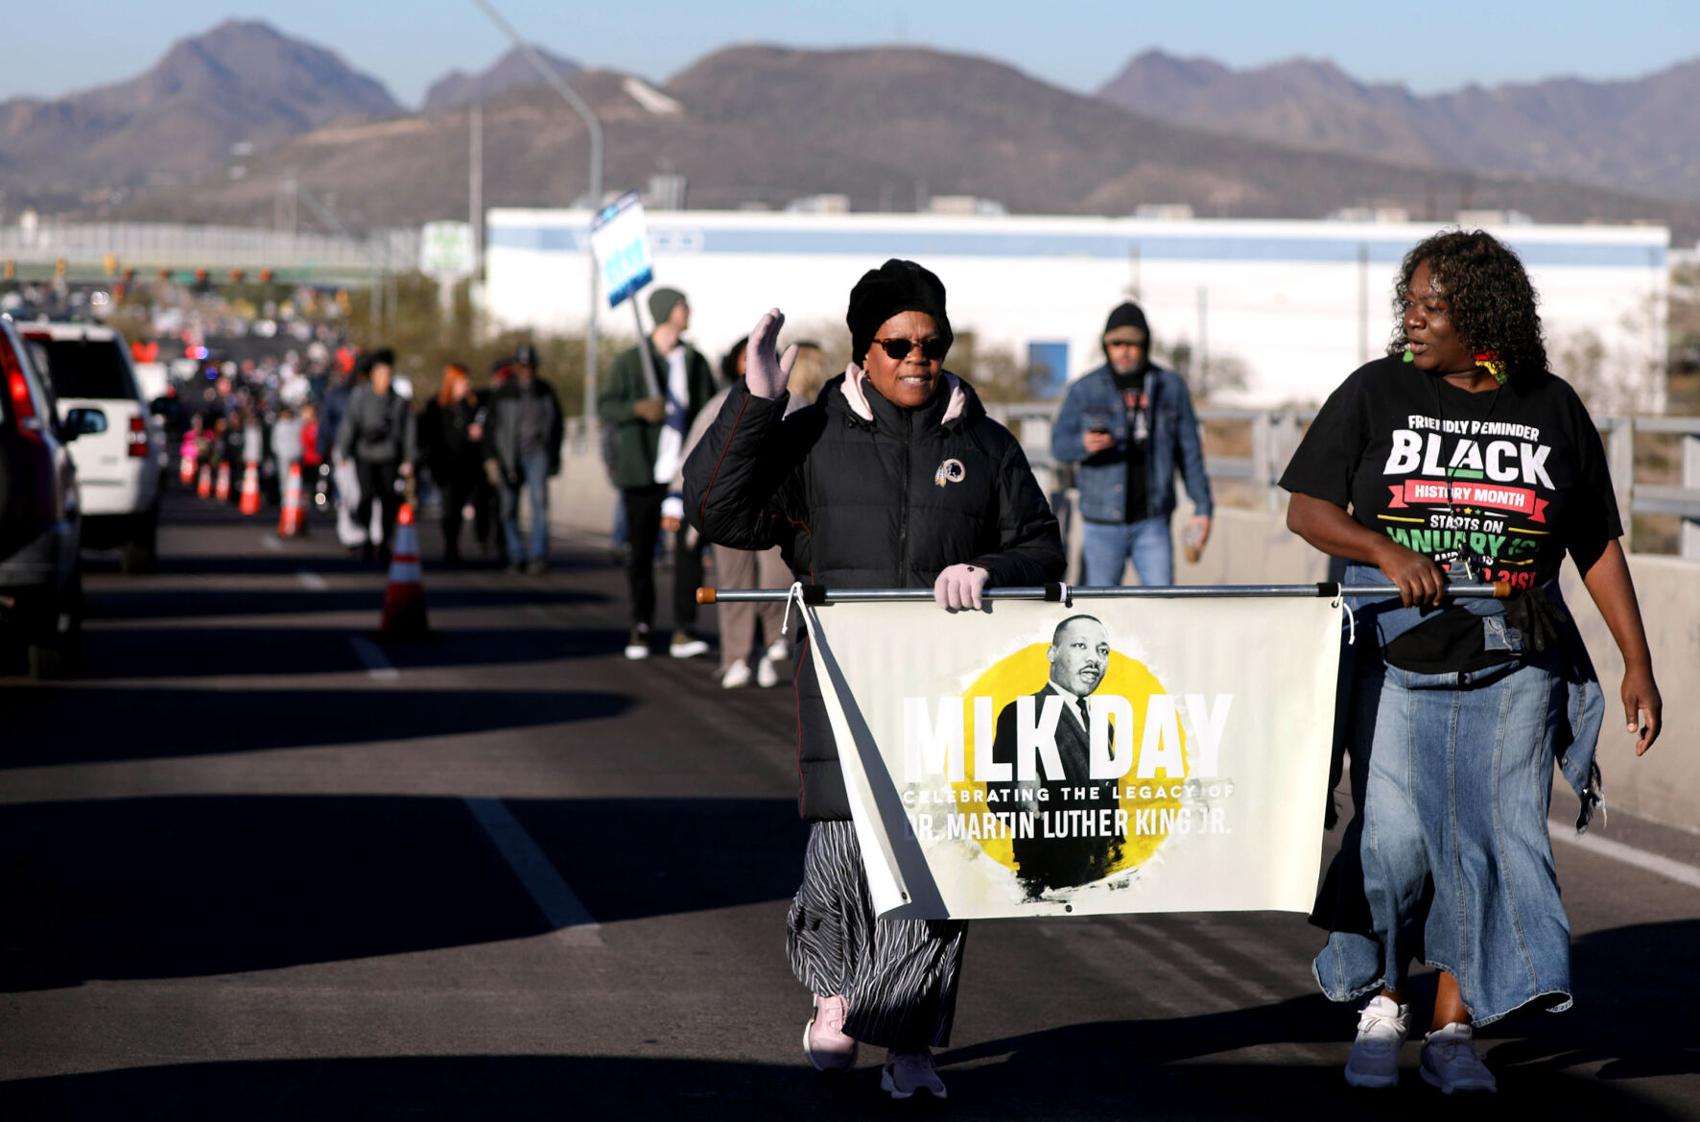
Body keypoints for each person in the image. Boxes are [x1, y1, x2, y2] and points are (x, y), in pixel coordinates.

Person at [1279, 229, 1662, 1095]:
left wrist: (1635, 662)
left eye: (1432, 305)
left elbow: (1594, 542)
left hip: (1516, 662)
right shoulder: (1377, 393)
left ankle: (1455, 1029)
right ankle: (1383, 999)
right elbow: (1307, 509)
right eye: (1407, 301)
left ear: (1482, 316)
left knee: (1484, 849)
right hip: (1397, 660)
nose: (1411, 319)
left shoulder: (1551, 407)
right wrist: (1382, 551)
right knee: (1393, 846)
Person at [684, 260, 1065, 1101]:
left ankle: (911, 1043)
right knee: (843, 857)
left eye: (933, 342)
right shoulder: (813, 439)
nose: (918, 358)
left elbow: (1044, 545)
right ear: (865, 351)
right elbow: (719, 509)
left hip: (952, 701)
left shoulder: (984, 443)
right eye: (898, 343)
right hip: (845, 692)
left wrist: (991, 569)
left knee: (937, 869)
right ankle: (835, 992)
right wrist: (754, 405)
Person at [1051, 302, 1213, 586]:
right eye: (1116, 343)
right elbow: (1059, 446)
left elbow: (1190, 452)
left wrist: (1202, 508)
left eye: (1132, 343)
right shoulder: (1084, 388)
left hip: (1153, 521)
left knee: (1160, 607)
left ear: (1145, 344)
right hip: (1101, 522)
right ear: (1106, 345)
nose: (1124, 350)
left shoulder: (1170, 387)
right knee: (1099, 613)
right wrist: (1084, 444)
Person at [665, 336, 790, 688]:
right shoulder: (721, 405)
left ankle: (772, 649)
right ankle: (736, 658)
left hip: (775, 512)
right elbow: (695, 455)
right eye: (746, 358)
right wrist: (678, 496)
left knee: (775, 584)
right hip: (731, 511)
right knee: (734, 585)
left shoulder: (794, 403)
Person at [599, 288, 717, 659]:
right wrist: (638, 409)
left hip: (684, 474)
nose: (688, 310)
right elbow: (606, 406)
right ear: (666, 311)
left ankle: (684, 628)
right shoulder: (631, 361)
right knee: (641, 554)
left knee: (688, 552)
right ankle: (641, 626)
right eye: (683, 304)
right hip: (642, 472)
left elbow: (710, 411)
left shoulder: (695, 361)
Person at [988, 614, 1122, 899]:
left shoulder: (1102, 724)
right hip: (1047, 882)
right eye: (1079, 646)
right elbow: (1003, 801)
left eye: (1103, 650)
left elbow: (1109, 806)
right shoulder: (1022, 713)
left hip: (1098, 884)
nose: (1094, 659)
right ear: (1052, 653)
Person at [336, 348, 416, 564]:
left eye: (388, 374)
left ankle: (385, 540)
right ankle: (368, 539)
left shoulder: (399, 401)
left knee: (389, 499)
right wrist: (343, 449)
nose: (384, 378)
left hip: (389, 457)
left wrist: (409, 458)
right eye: (380, 373)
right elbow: (350, 424)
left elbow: (408, 430)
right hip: (366, 455)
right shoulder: (360, 396)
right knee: (366, 498)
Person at [490, 343, 564, 574]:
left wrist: (553, 456)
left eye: (531, 366)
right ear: (515, 367)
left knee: (539, 504)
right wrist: (492, 459)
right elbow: (491, 428)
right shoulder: (503, 393)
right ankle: (515, 554)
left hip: (537, 454)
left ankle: (538, 555)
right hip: (508, 456)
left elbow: (557, 426)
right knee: (508, 508)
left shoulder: (545, 391)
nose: (527, 371)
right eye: (522, 366)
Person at [421, 363, 489, 565]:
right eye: (462, 382)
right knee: (451, 507)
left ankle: (482, 538)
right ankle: (451, 545)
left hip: (470, 464)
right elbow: (430, 436)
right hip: (447, 465)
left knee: (478, 503)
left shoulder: (473, 405)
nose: (466, 386)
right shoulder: (437, 407)